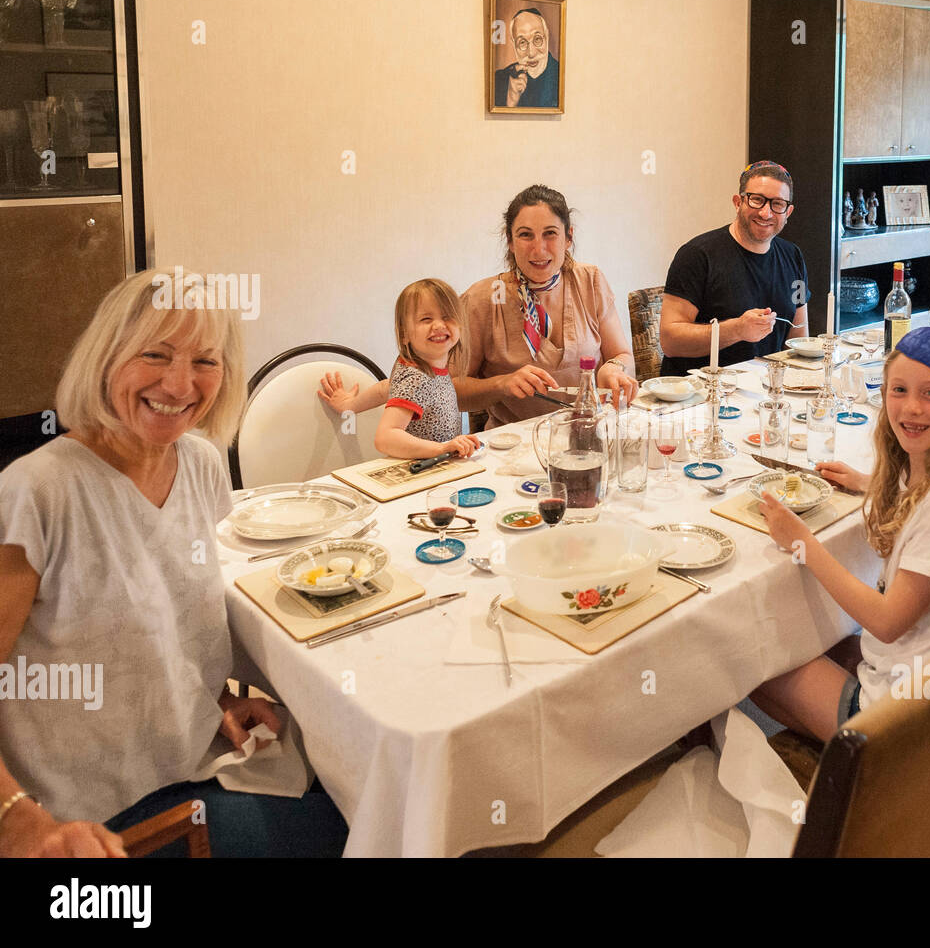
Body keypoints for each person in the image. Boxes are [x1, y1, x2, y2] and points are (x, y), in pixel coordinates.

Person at [0, 270, 348, 857]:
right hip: (85, 820)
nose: (180, 383)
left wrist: (212, 700)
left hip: (189, 766)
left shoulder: (201, 463)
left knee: (364, 800)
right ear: (107, 359)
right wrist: (19, 821)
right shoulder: (37, 492)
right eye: (155, 355)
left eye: (205, 362)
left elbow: (166, 615)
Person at [751, 328, 930, 742]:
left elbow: (887, 623)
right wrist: (868, 483)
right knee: (809, 634)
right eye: (899, 390)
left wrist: (803, 543)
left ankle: (860, 773)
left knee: (757, 662)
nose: (911, 408)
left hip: (905, 718)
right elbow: (920, 500)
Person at [321, 187, 638, 430]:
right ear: (510, 242)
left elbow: (622, 356)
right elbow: (444, 388)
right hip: (514, 448)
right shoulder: (483, 299)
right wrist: (502, 385)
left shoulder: (591, 281)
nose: (538, 249)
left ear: (569, 238)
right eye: (525, 235)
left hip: (590, 433)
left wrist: (615, 369)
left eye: (550, 235)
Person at [658, 160, 810, 377]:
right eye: (757, 200)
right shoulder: (697, 255)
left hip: (765, 389)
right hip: (700, 393)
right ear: (738, 202)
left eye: (777, 204)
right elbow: (670, 341)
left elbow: (799, 332)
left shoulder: (793, 256)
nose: (766, 213)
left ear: (788, 212)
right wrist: (737, 329)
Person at [317, 279, 481, 460]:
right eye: (426, 319)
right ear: (405, 335)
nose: (439, 325)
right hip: (422, 470)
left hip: (439, 464)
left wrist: (350, 405)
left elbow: (386, 388)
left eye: (447, 316)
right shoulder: (416, 378)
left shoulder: (428, 367)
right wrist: (441, 448)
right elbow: (385, 438)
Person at [493, 8, 561, 109]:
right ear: (514, 45)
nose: (531, 53)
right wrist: (510, 102)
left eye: (537, 39)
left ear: (546, 36)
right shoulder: (498, 80)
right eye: (522, 42)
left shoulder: (562, 76)